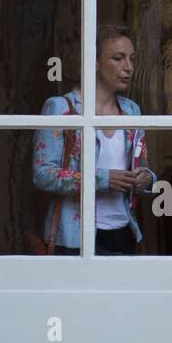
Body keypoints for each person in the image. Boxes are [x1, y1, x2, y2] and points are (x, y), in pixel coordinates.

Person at [32, 25, 156, 255]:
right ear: (94, 62)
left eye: (131, 58)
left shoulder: (131, 110)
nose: (128, 67)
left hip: (124, 233)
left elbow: (143, 167)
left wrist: (146, 178)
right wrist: (102, 179)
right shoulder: (61, 108)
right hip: (74, 238)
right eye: (118, 58)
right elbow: (42, 175)